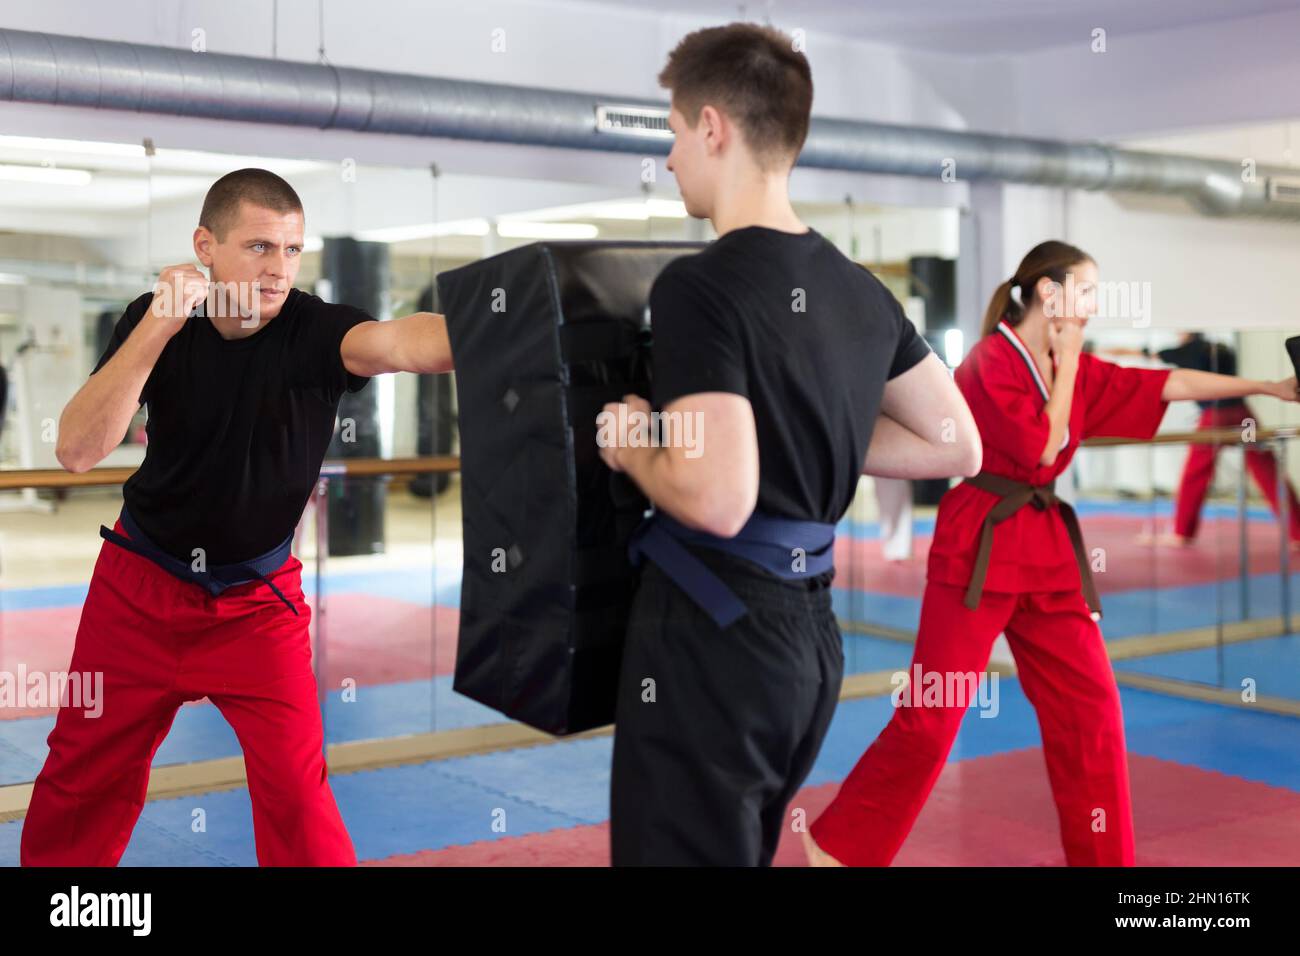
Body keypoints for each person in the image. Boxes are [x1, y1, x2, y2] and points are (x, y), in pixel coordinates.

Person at [596, 23, 981, 866]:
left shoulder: (703, 284)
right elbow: (958, 443)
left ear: (712, 127)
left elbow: (718, 498)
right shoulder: (858, 289)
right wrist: (803, 431)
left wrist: (632, 443)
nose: (669, 158)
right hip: (808, 644)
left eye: (671, 130)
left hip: (714, 631)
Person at [804, 240, 1300, 867]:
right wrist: (1067, 364)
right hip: (979, 545)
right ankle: (840, 845)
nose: (1093, 306)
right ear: (1048, 293)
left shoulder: (1068, 366)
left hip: (1048, 554)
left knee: (1092, 714)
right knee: (933, 715)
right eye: (1086, 291)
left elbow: (1166, 382)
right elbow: (1042, 445)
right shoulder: (990, 363)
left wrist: (1268, 386)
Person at [21, 168, 454, 866]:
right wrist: (159, 323)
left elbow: (403, 344)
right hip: (137, 590)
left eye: (290, 250)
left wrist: (506, 322)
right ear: (206, 246)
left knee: (296, 789)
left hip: (257, 606)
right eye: (258, 247)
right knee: (84, 771)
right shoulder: (154, 321)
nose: (278, 269)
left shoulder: (317, 330)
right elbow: (77, 449)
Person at [1113, 333, 1300, 547]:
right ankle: (1298, 532)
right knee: (1268, 471)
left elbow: (1138, 353)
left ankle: (1181, 532)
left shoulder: (1185, 350)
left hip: (1215, 416)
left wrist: (1099, 349)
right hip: (1242, 413)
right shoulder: (1220, 347)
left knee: (1195, 474)